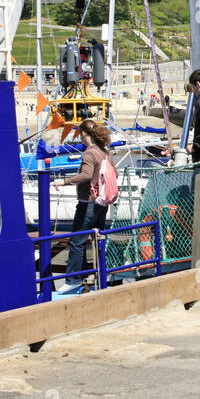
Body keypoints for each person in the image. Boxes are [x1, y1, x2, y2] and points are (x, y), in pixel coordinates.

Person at [62, 119, 113, 286]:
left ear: (84, 133)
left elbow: (85, 174)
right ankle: (100, 274)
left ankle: (73, 280)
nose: (80, 139)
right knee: (98, 238)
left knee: (77, 240)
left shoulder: (90, 153)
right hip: (102, 203)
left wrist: (64, 181)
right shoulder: (105, 152)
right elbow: (115, 175)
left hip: (88, 202)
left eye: (80, 135)